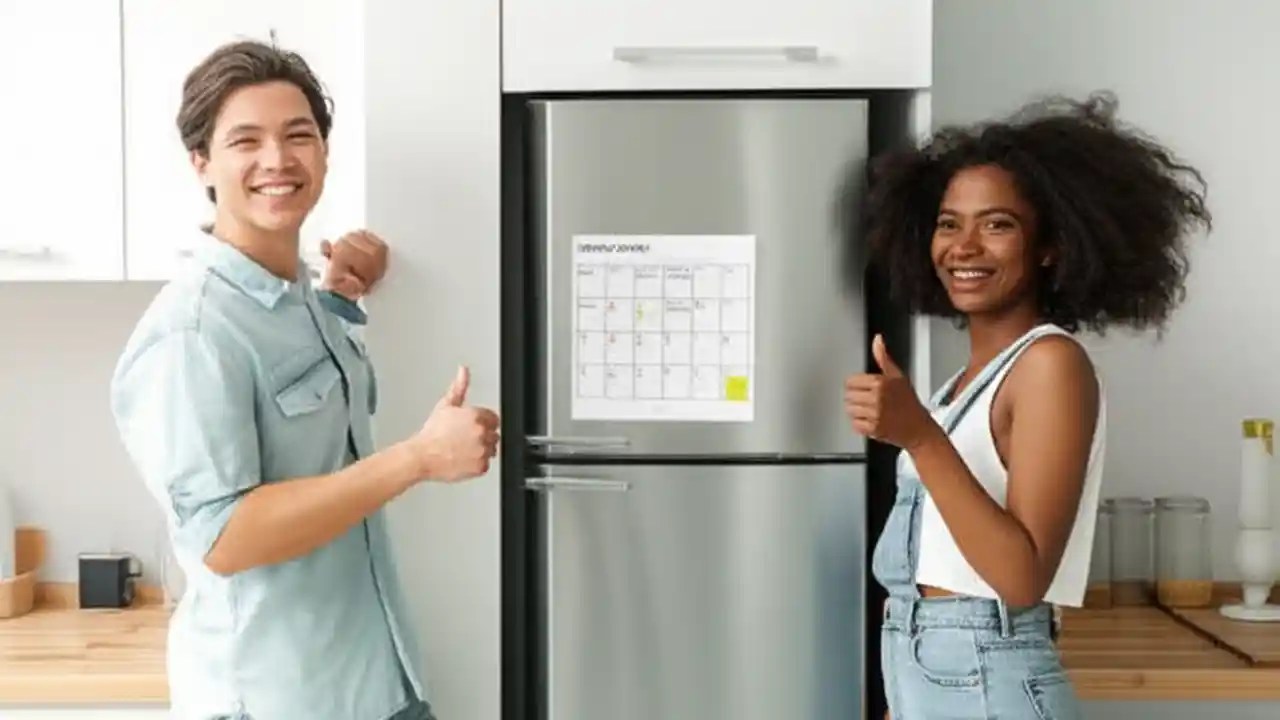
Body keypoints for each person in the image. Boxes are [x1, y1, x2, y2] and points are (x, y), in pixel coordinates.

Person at [110, 40, 497, 720]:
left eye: (298, 135)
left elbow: (308, 416)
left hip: (376, 680)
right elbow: (224, 537)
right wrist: (418, 458)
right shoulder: (191, 333)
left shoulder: (298, 300)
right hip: (274, 700)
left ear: (323, 152)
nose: (278, 160)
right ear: (201, 162)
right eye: (245, 141)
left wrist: (340, 296)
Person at [843, 92, 1211, 719]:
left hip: (990, 677)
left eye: (997, 225)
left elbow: (1021, 579)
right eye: (949, 223)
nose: (963, 246)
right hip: (924, 669)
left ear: (1050, 246)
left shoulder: (1050, 365)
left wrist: (920, 437)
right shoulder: (962, 385)